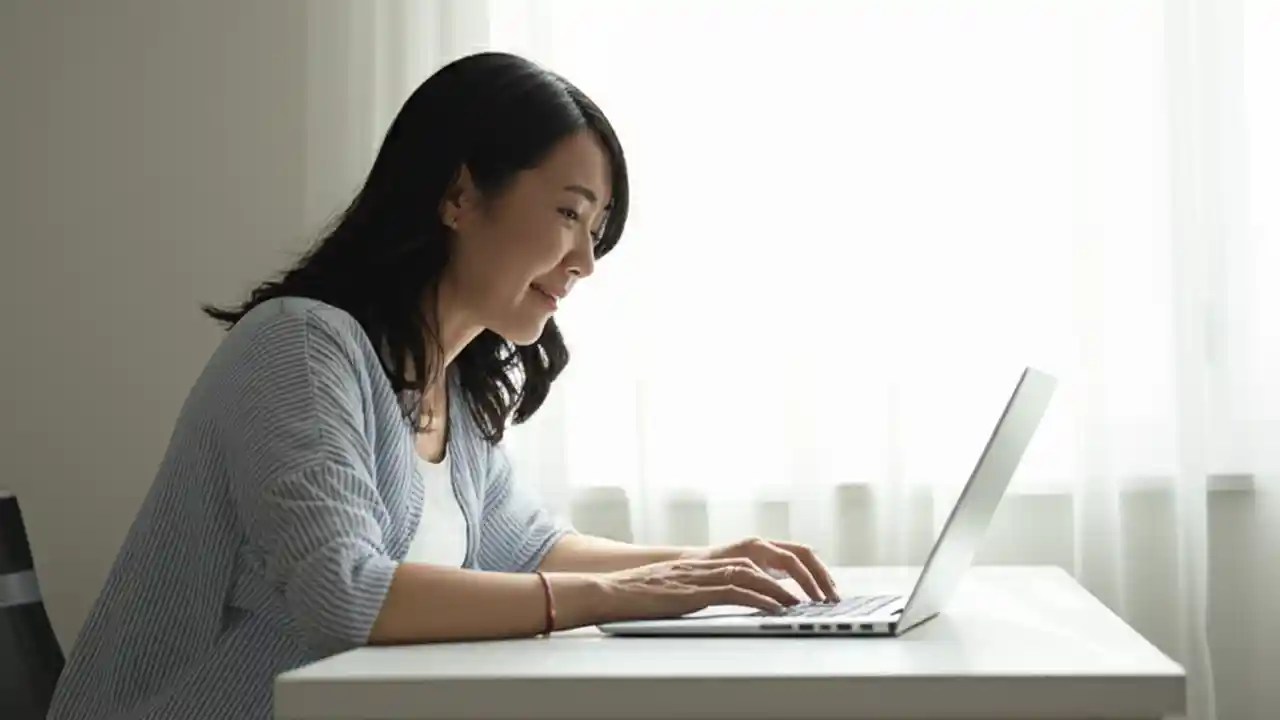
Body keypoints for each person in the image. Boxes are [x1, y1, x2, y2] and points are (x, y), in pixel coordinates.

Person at [47, 52, 839, 720]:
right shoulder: (299, 347)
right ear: (459, 196)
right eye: (569, 214)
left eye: (595, 233)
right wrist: (621, 596)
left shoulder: (447, 386)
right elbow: (347, 595)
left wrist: (708, 568)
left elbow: (525, 549)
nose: (585, 262)